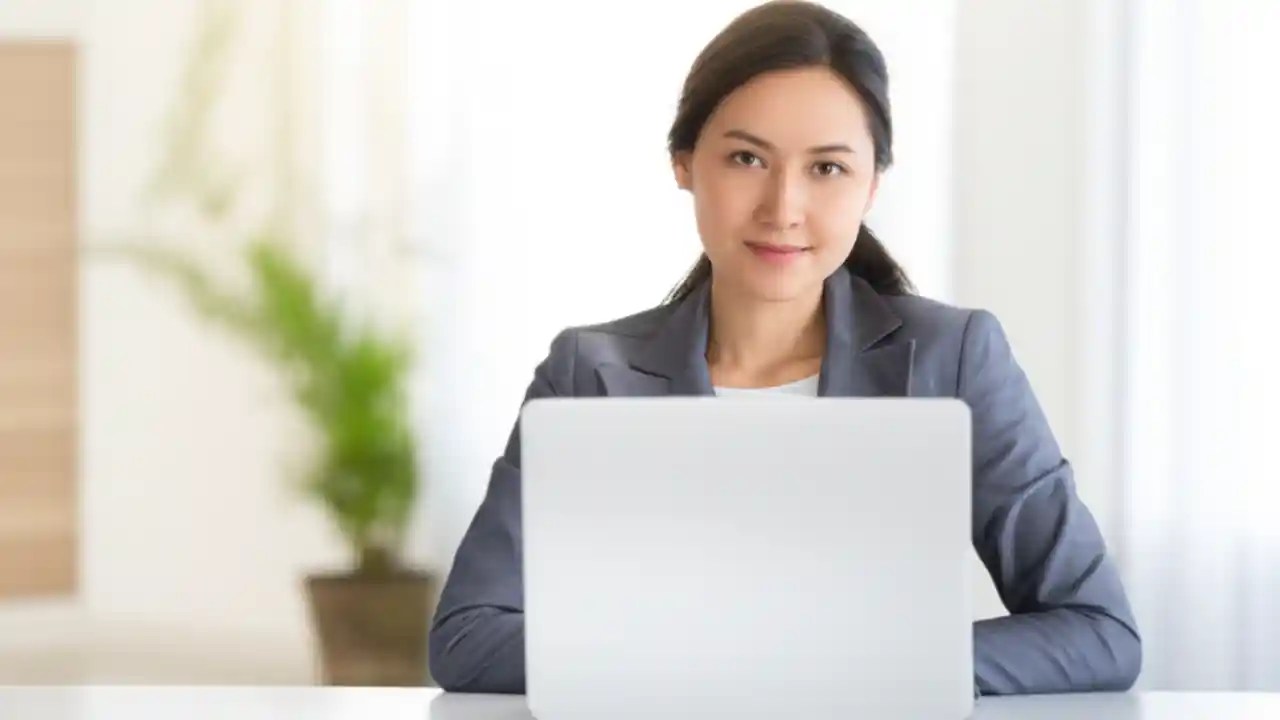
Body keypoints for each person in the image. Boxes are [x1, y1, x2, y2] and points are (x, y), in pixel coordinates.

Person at [428, 0, 1141, 696]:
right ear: (684, 162)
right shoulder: (588, 374)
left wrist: (870, 666)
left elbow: (1098, 632)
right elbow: (468, 638)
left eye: (827, 168)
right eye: (746, 158)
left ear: (872, 185)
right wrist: (740, 663)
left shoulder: (953, 357)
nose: (782, 208)